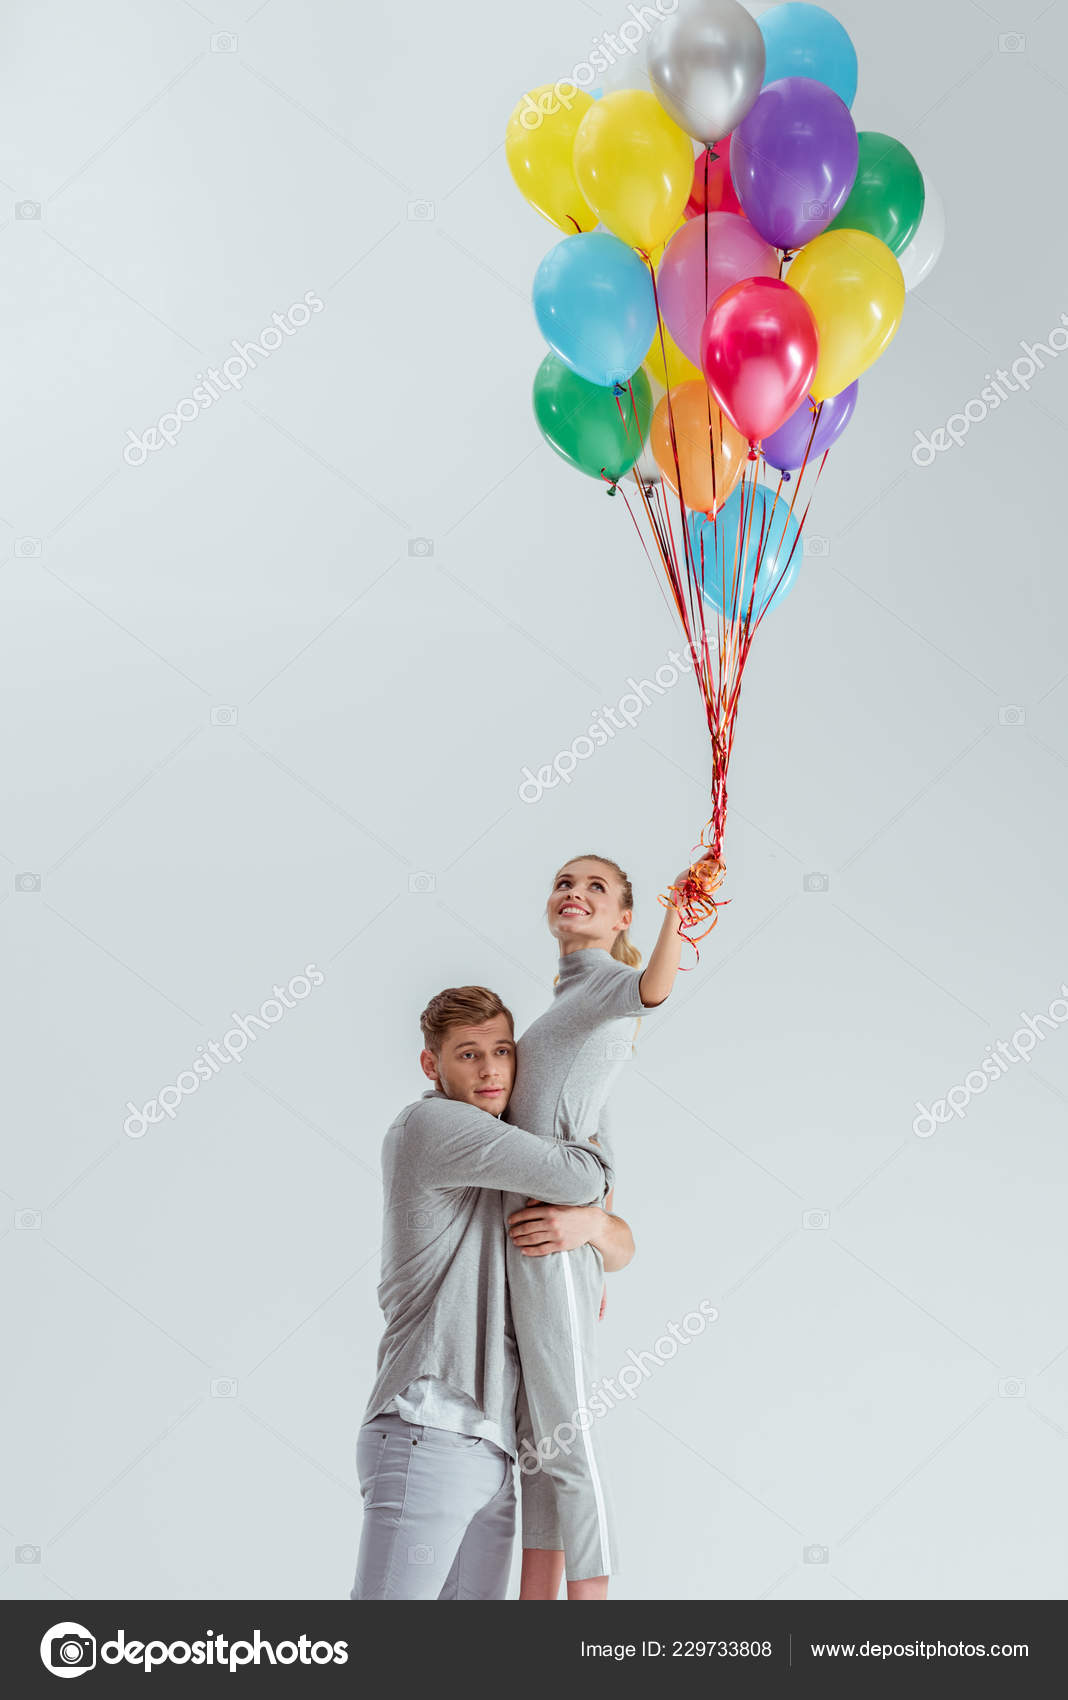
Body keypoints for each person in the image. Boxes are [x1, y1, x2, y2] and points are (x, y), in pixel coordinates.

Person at [349, 984, 618, 1601]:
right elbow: (581, 1175)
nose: (492, 1068)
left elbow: (617, 1240)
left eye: (502, 1050)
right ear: (431, 1064)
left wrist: (596, 1226)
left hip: (490, 1450)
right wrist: (595, 1184)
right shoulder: (433, 1125)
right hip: (429, 1428)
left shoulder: (501, 1156)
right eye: (468, 1054)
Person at [503, 851, 721, 1601]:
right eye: (564, 881)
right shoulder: (564, 1003)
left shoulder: (602, 985)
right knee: (536, 1445)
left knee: (565, 1440)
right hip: (537, 1247)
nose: (574, 893)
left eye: (596, 887)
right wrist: (598, 1224)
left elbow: (654, 989)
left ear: (620, 916)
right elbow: (594, 1147)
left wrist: (674, 915)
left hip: (553, 1251)